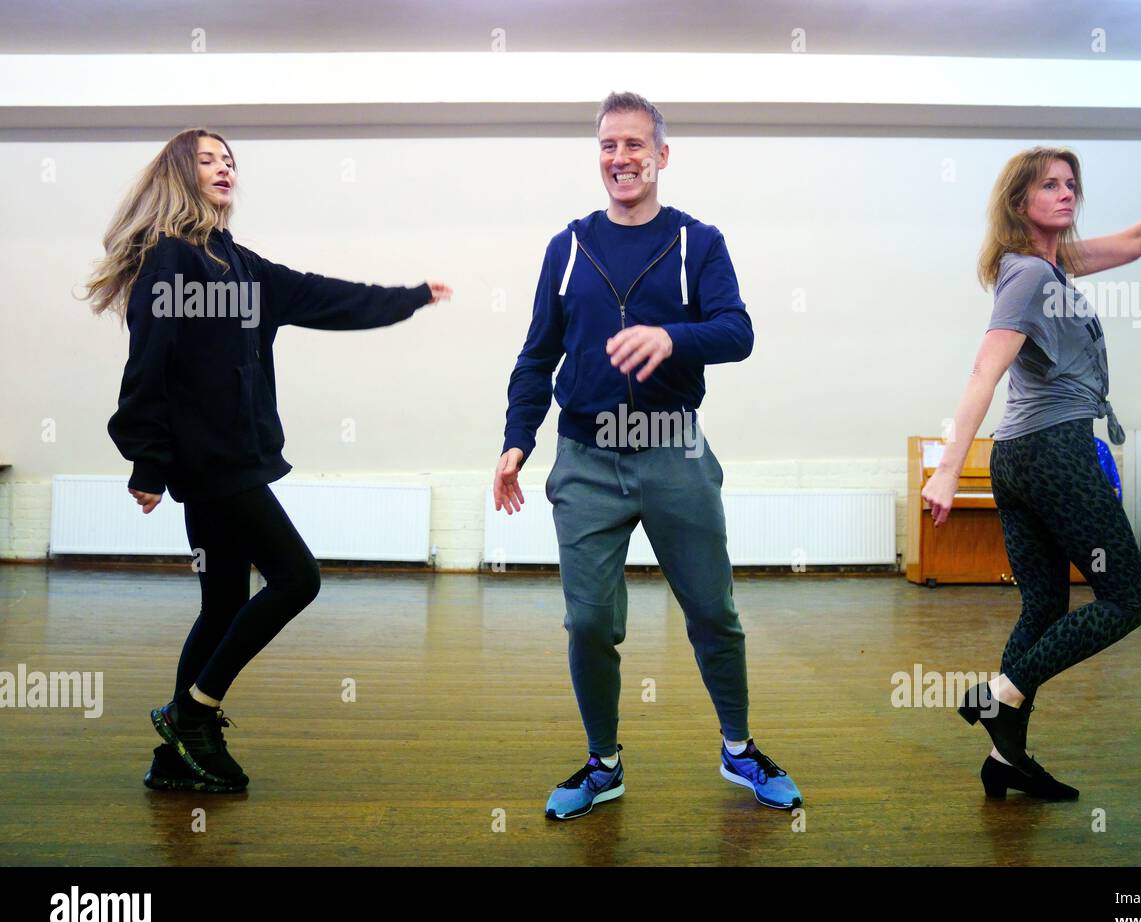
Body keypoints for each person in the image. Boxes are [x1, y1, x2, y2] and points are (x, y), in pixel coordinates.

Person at [84, 128, 451, 791]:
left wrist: (409, 297)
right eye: (207, 160)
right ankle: (194, 712)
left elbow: (323, 297)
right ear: (179, 174)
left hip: (236, 457)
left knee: (222, 604)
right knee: (297, 579)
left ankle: (174, 759)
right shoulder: (172, 261)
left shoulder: (237, 263)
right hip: (213, 463)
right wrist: (146, 461)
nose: (223, 169)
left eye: (229, 161)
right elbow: (149, 363)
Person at [493, 92, 800, 819]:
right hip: (586, 459)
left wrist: (671, 337)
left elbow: (738, 331)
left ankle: (738, 749)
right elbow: (536, 358)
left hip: (673, 451)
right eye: (608, 146)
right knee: (591, 621)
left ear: (661, 156)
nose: (620, 158)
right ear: (598, 157)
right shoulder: (566, 248)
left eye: (635, 145)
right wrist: (515, 441)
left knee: (712, 612)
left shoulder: (699, 242)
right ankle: (604, 764)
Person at [922, 147, 1141, 799]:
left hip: (1020, 458)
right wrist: (947, 471)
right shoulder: (1030, 278)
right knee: (1126, 600)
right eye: (1050, 185)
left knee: (1044, 604)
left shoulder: (1051, 265)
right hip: (1054, 455)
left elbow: (1133, 243)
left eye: (1072, 184)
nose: (1067, 194)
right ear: (1020, 202)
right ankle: (999, 697)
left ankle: (1005, 758)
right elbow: (983, 372)